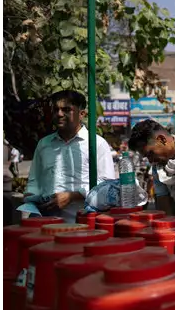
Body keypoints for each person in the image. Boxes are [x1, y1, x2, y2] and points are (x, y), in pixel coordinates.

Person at [25, 90, 116, 222]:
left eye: (66, 109)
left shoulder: (97, 144)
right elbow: (34, 180)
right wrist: (31, 196)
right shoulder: (44, 144)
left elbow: (107, 186)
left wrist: (73, 196)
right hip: (45, 221)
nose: (59, 114)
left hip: (82, 222)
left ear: (81, 114)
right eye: (56, 110)